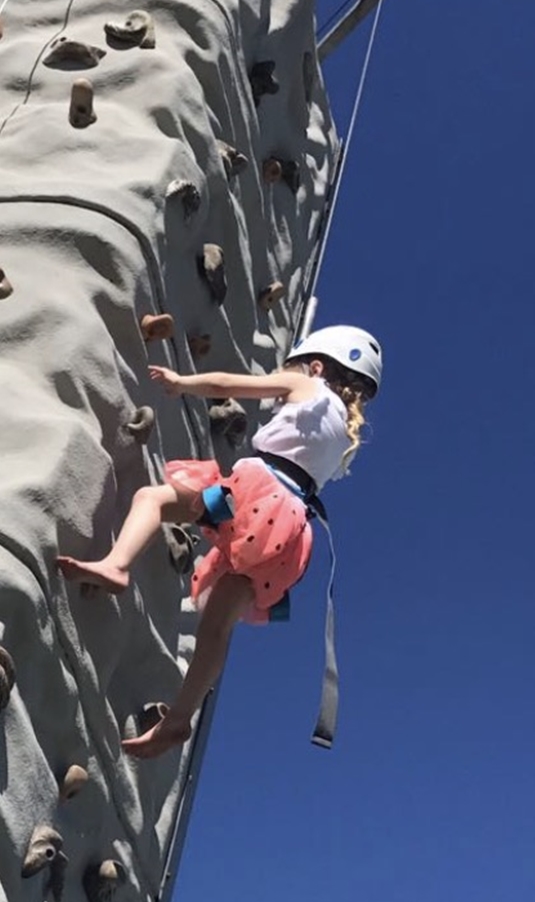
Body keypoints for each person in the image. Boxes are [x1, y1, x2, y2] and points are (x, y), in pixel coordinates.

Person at [57, 325, 383, 758]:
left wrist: (182, 383)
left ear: (317, 365)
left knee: (153, 498)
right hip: (289, 537)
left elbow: (231, 385)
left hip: (251, 497)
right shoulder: (346, 433)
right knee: (217, 627)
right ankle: (178, 719)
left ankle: (116, 564)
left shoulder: (308, 383)